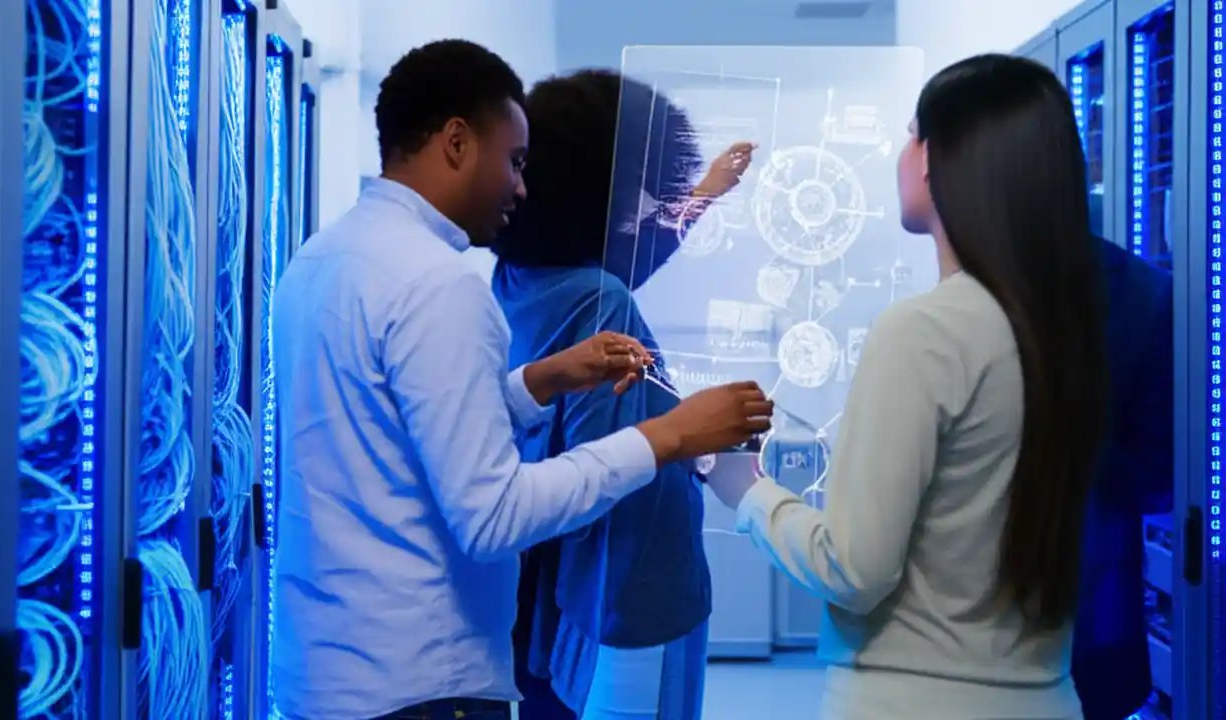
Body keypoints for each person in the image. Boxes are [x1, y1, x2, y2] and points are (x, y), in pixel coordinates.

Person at [269, 40, 773, 720]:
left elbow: (401, 437)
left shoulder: (324, 259)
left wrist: (536, 382)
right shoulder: (441, 285)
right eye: (513, 161)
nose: (520, 187)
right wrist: (672, 436)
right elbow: (494, 515)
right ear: (456, 142)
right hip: (424, 687)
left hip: (334, 672)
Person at [705, 53, 1109, 719]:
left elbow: (852, 569)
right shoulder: (1064, 332)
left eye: (911, 134)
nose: (902, 154)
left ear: (935, 160)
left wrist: (743, 488)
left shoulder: (923, 331)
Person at [489, 69, 754, 720]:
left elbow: (628, 262)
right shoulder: (599, 299)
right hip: (631, 599)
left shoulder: (523, 277)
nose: (644, 208)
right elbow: (603, 467)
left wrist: (703, 195)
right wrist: (691, 435)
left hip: (562, 597)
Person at [1072, 237, 1173, 719]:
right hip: (1091, 635)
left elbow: (1158, 481)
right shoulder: (1140, 289)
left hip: (1090, 633)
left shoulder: (1139, 294)